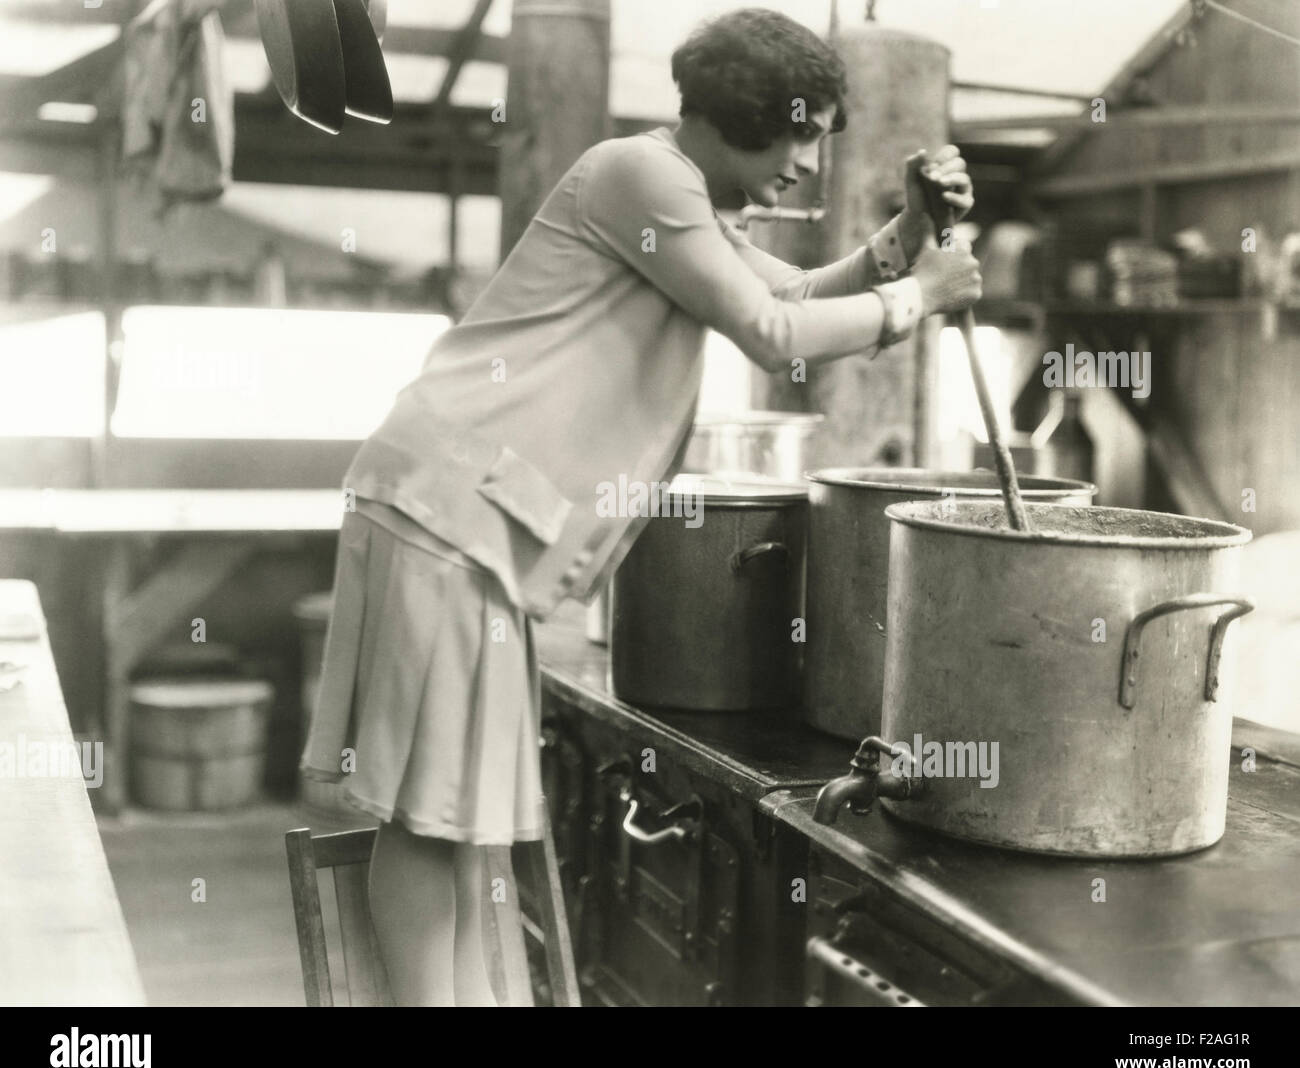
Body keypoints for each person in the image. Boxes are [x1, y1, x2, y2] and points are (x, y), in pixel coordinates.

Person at [299, 6, 981, 1006]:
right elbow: (772, 329)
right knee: (423, 814)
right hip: (443, 505)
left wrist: (908, 237)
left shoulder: (685, 200)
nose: (810, 159)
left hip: (473, 520)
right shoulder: (640, 174)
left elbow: (794, 285)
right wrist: (919, 298)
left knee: (450, 814)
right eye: (803, 130)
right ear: (746, 110)